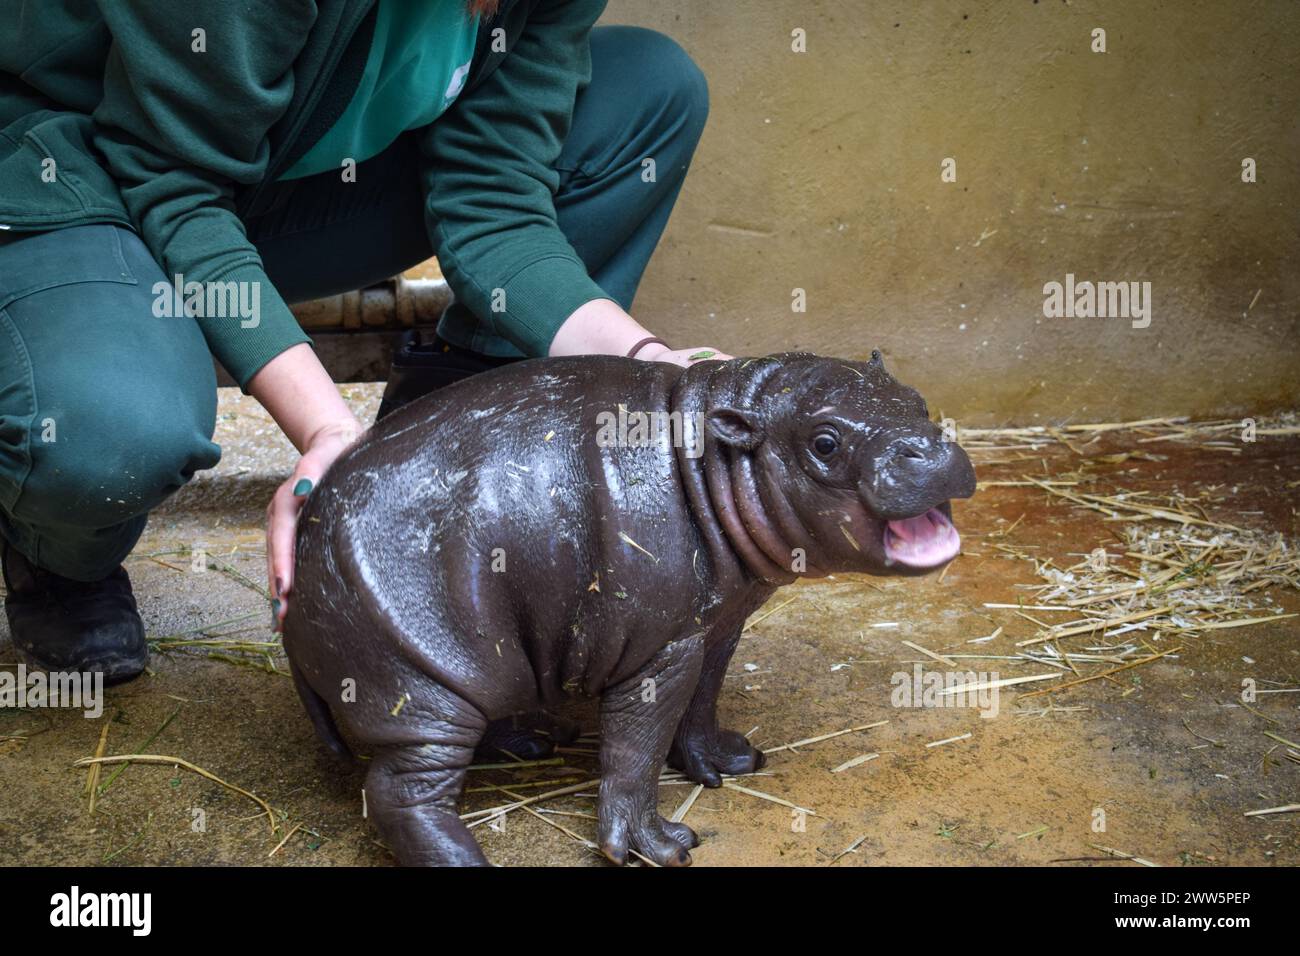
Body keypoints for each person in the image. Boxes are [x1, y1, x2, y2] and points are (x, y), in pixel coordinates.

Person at [0, 0, 729, 684]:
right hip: (76, 172)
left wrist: (654, 365)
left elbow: (496, 199)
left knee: (648, 88)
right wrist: (322, 429)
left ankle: (434, 475)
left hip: (269, 182)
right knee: (108, 439)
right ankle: (60, 557)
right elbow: (175, 187)